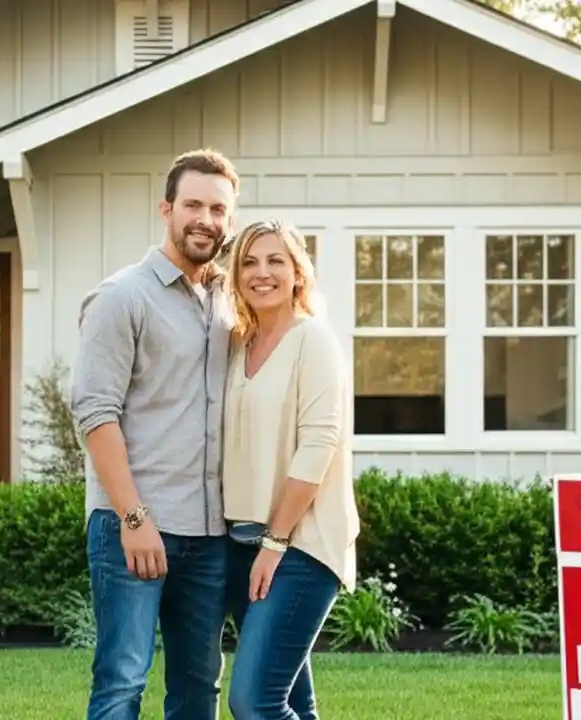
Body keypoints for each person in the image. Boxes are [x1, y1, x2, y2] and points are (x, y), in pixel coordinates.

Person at [70, 148, 240, 720]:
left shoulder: (227, 303)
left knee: (198, 689)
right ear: (166, 209)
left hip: (210, 534)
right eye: (193, 204)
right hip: (133, 527)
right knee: (122, 681)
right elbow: (96, 414)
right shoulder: (122, 297)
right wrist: (134, 519)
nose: (205, 219)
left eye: (218, 209)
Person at [220, 219, 360, 720]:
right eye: (249, 262)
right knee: (292, 701)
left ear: (297, 272)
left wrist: (274, 543)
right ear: (235, 276)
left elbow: (319, 444)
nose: (262, 273)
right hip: (242, 542)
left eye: (275, 260)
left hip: (301, 545)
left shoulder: (313, 340)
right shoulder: (237, 346)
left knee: (254, 701)